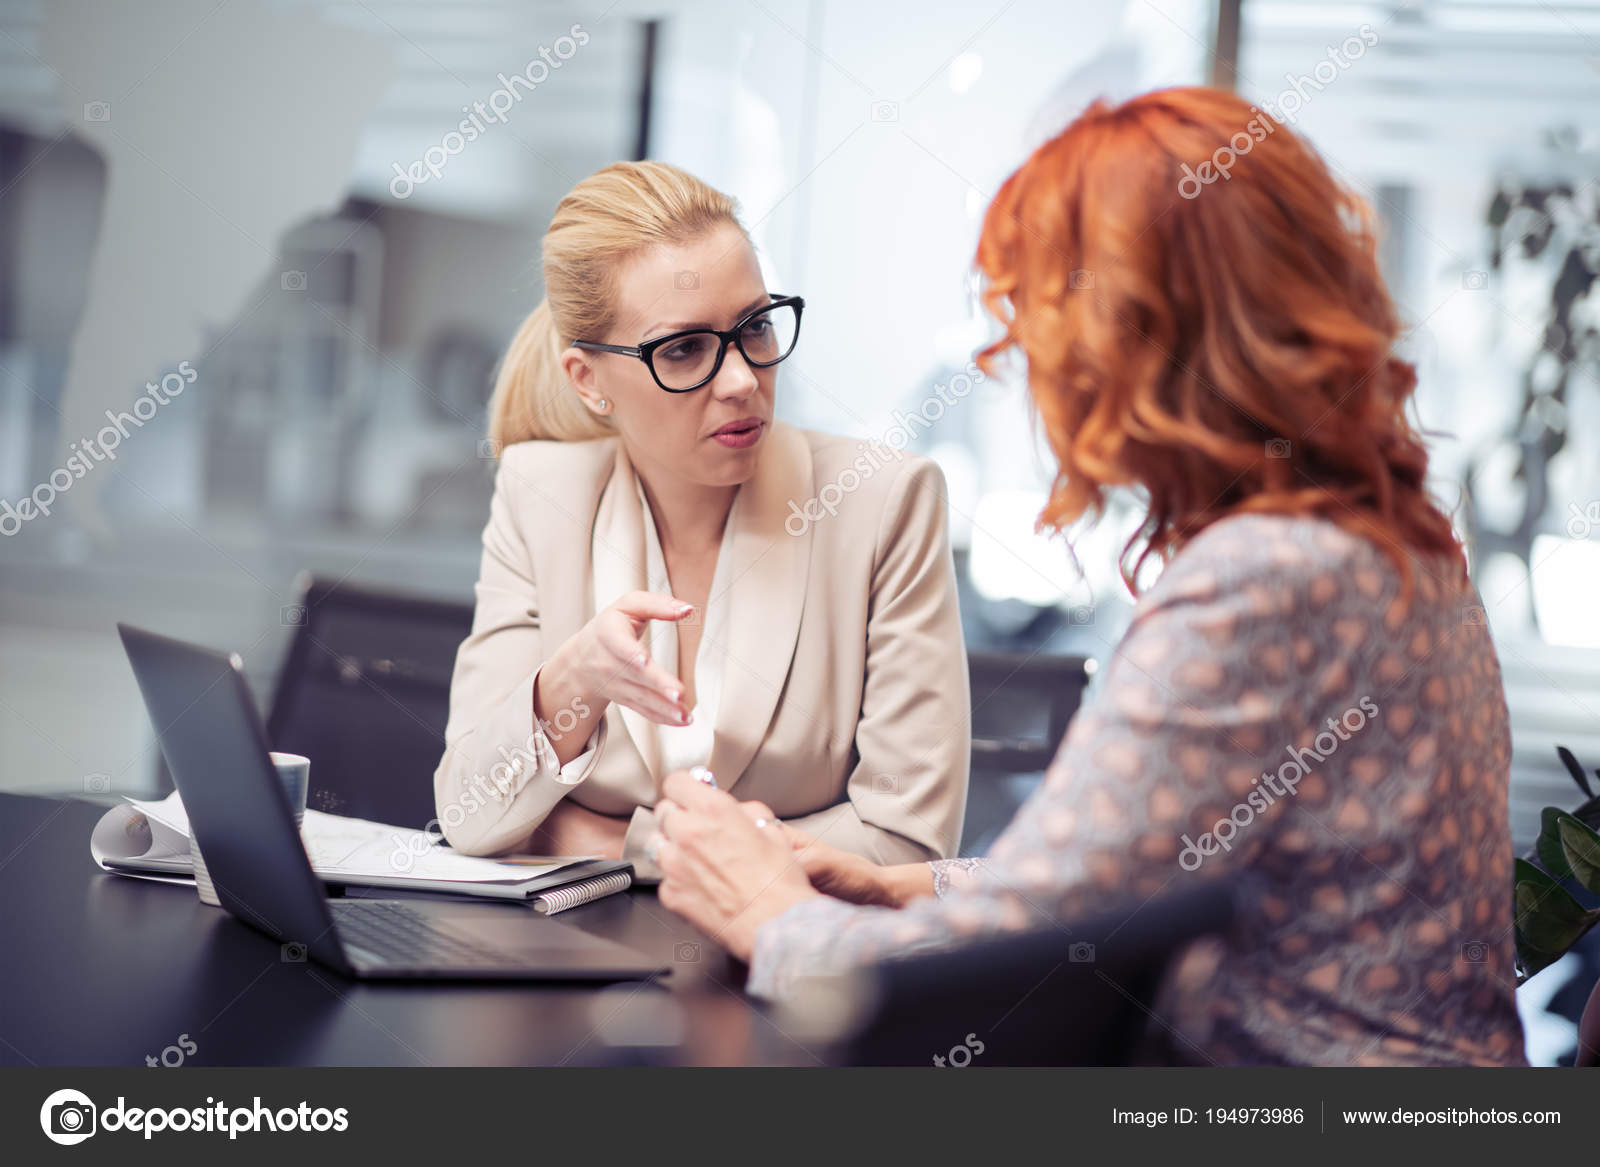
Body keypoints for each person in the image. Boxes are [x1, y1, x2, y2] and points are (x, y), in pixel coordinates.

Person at [648, 87, 1527, 1065]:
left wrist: (768, 913)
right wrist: (925, 887)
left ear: (1136, 334)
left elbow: (1004, 984)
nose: (1026, 359)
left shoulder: (1265, 580)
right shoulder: (1392, 544)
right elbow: (1139, 883)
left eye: (1042, 319)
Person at [433, 161, 970, 879]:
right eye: (683, 348)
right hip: (575, 969)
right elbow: (470, 813)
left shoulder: (884, 505)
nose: (744, 379)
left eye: (756, 328)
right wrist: (573, 682)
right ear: (588, 381)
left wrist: (620, 843)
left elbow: (906, 844)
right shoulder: (542, 495)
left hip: (794, 968)